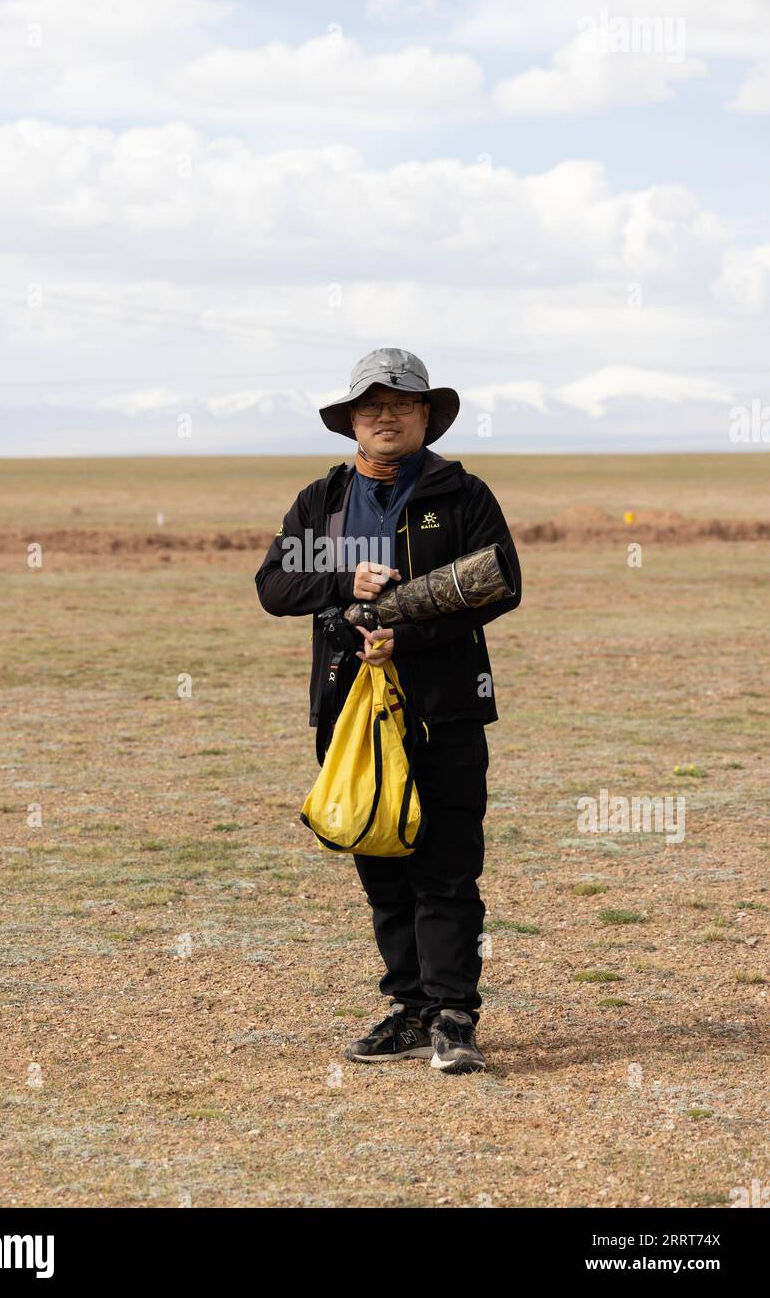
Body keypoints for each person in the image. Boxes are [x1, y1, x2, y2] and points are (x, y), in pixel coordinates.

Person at [254, 348, 522, 1074]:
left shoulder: (459, 494)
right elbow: (274, 585)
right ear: (350, 422)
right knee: (379, 858)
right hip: (349, 710)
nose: (384, 417)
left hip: (443, 708)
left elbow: (501, 585)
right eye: (370, 407)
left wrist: (406, 635)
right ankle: (407, 1009)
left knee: (445, 866)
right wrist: (343, 580)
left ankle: (453, 1015)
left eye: (400, 405)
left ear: (425, 416)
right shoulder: (324, 503)